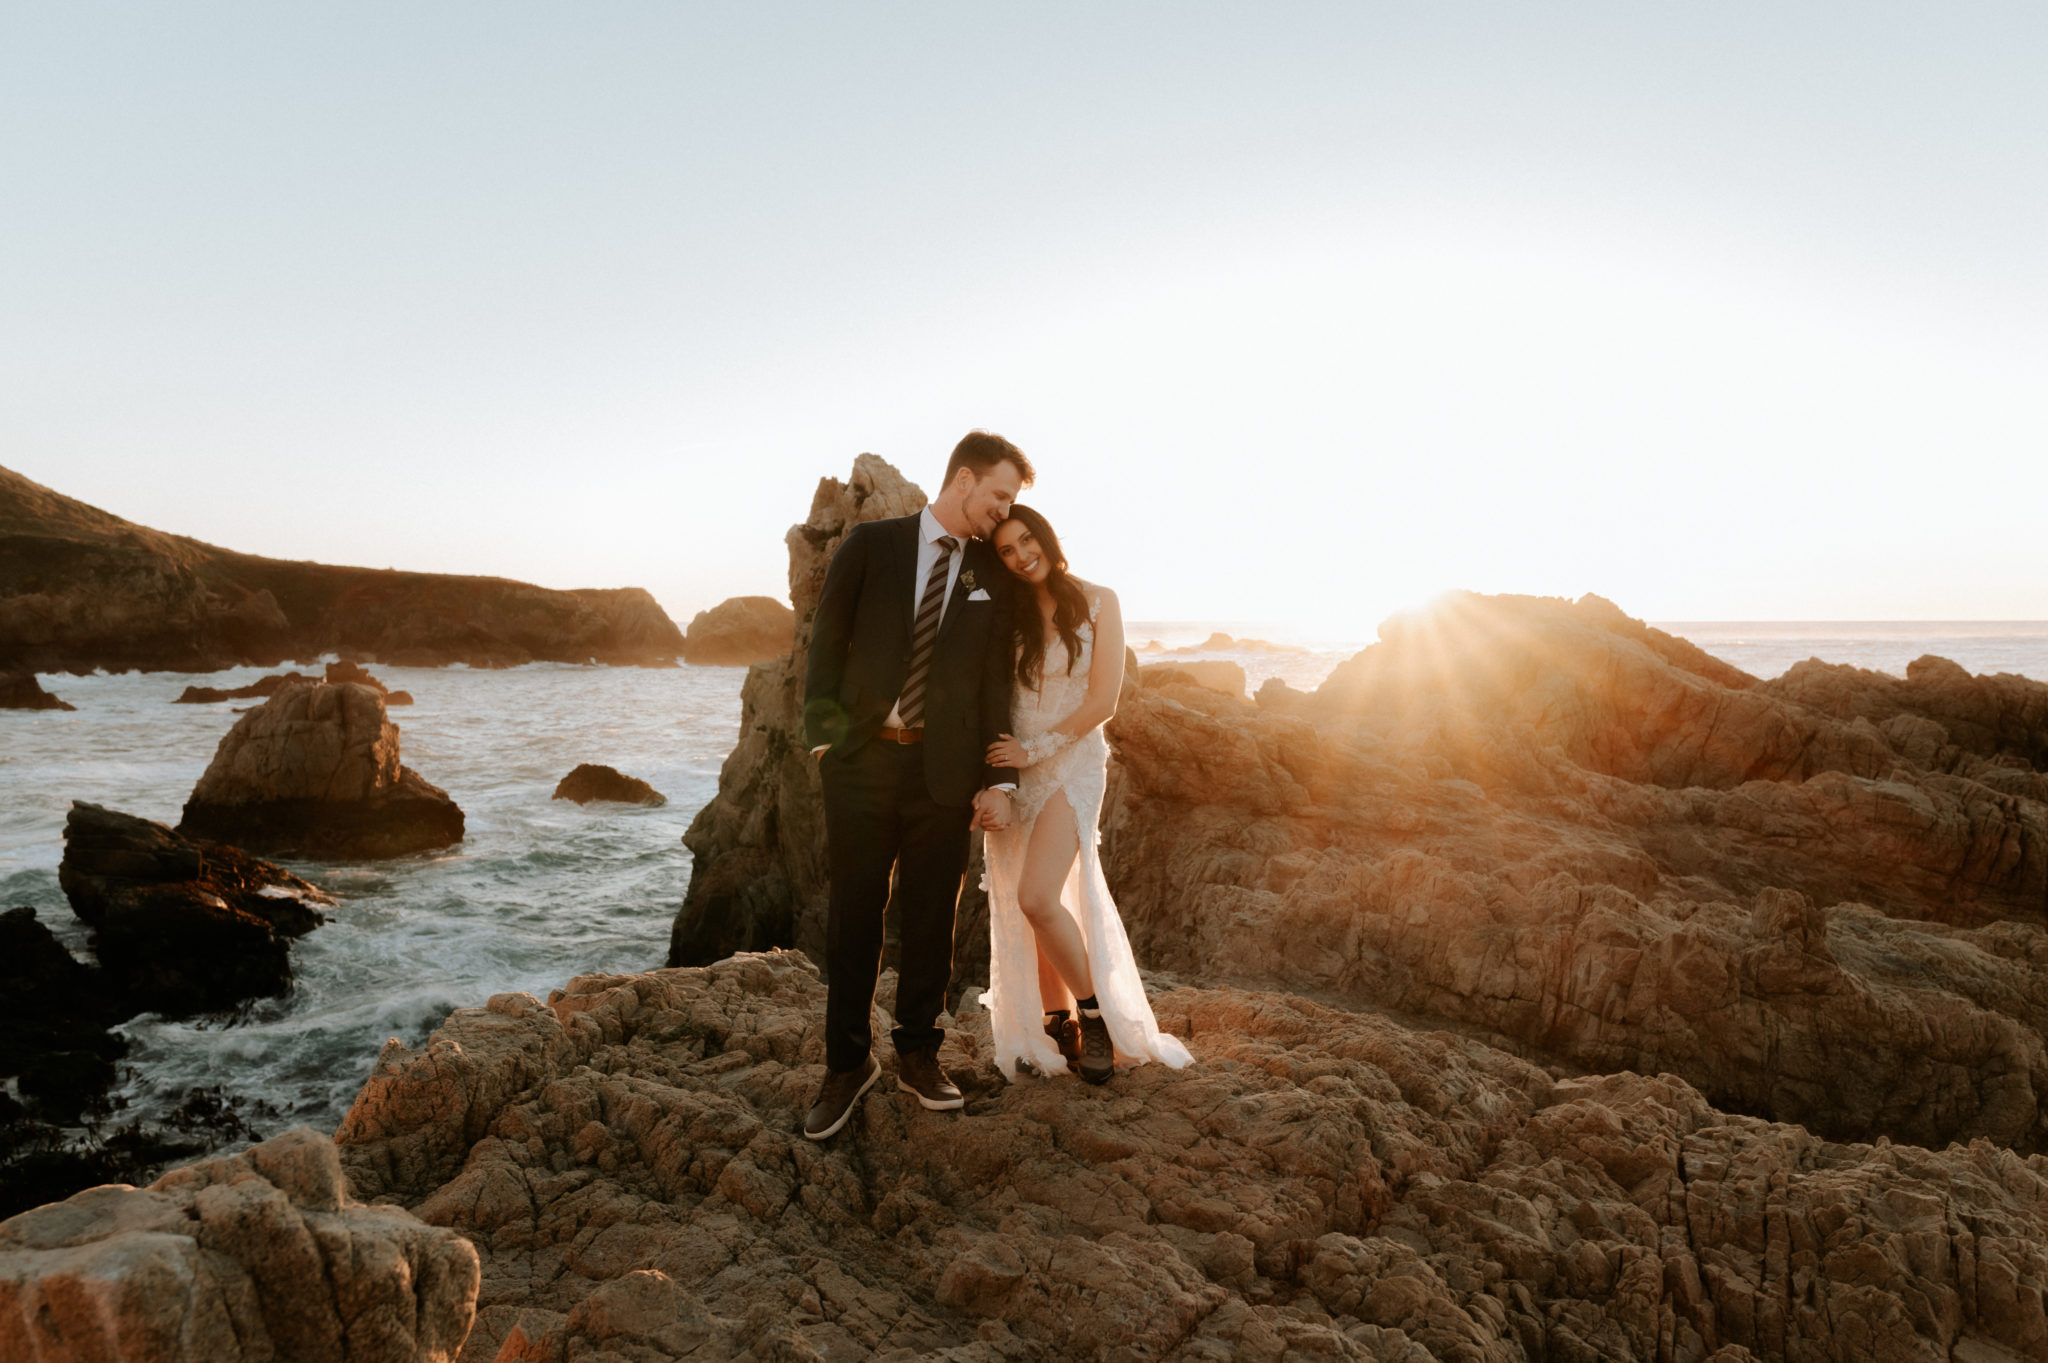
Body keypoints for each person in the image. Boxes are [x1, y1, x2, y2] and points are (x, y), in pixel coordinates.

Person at [800, 431, 1030, 1141]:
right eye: (998, 495)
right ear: (963, 478)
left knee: (933, 917)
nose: (1003, 510)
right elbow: (826, 638)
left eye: (1011, 501)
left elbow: (997, 682)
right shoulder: (873, 545)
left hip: (944, 771)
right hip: (863, 760)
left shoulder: (991, 570)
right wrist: (823, 740)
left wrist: (1001, 777)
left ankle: (919, 1054)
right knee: (854, 917)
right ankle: (846, 1064)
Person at [979, 504, 1193, 1083]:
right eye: (1006, 550)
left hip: (1070, 764)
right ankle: (1058, 1021)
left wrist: (1037, 751)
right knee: (1031, 907)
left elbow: (1104, 701)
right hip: (1013, 767)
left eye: (1027, 540)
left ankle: (1094, 1014)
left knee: (1038, 896)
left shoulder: (1100, 600)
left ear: (1045, 536)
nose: (1022, 555)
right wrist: (997, 774)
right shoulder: (1006, 611)